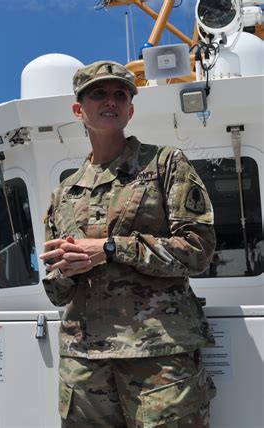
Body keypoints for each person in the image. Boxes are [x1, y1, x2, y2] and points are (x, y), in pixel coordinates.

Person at [40, 61, 217, 428]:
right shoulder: (64, 193)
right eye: (99, 93)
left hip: (158, 353)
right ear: (79, 109)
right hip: (84, 361)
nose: (111, 100)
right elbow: (58, 294)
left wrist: (109, 249)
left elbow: (198, 249)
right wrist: (63, 271)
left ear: (130, 109)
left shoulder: (166, 164)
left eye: (121, 94)